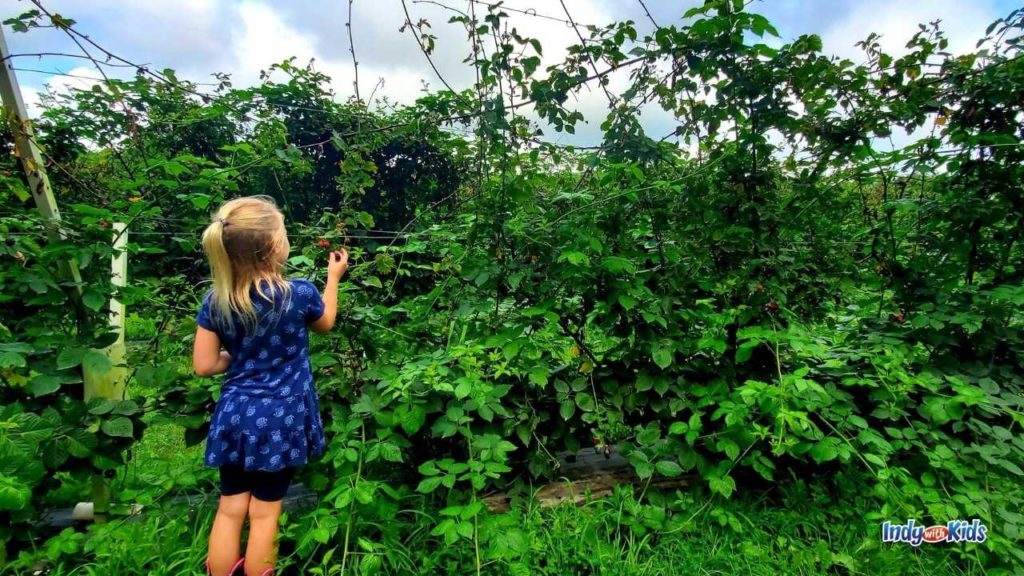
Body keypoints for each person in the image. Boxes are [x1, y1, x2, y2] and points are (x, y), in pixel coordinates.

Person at [192, 196, 348, 576]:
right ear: (274, 246)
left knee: (230, 508)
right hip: (280, 420)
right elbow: (325, 323)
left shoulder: (217, 300)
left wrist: (238, 359)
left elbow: (204, 365)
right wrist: (333, 279)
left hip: (236, 417)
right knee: (264, 514)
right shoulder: (298, 294)